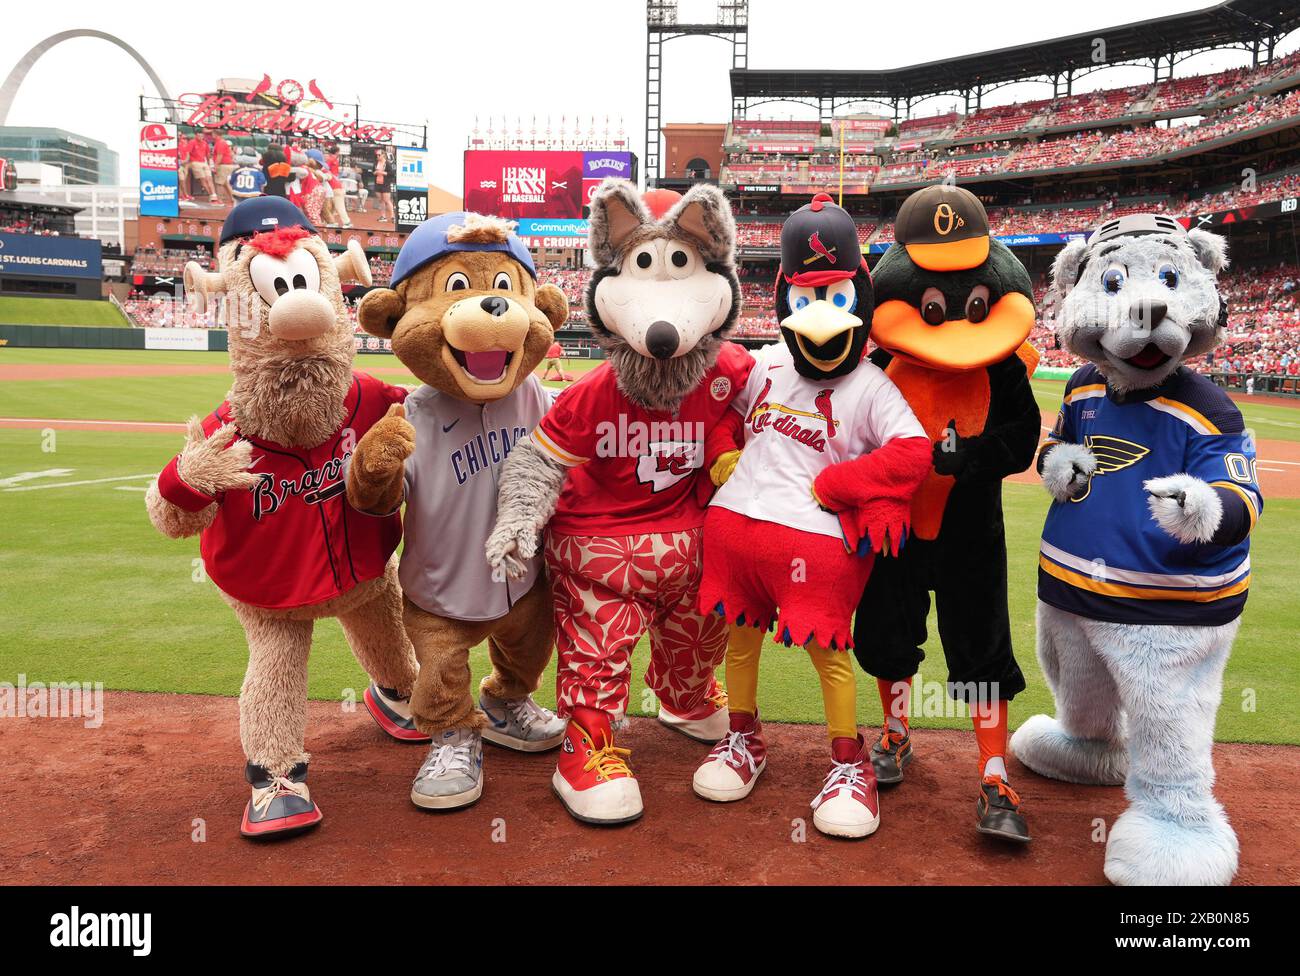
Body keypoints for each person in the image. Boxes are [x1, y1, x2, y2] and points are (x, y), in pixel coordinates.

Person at [213, 134, 236, 207]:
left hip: (223, 165)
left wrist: (215, 166)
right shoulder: (222, 143)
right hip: (228, 165)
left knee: (219, 183)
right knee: (226, 184)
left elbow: (220, 155)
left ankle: (220, 200)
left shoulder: (221, 143)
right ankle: (233, 199)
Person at [372, 147, 394, 224]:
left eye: (379, 155)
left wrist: (383, 173)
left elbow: (391, 174)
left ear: (383, 155)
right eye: (377, 155)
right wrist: (375, 173)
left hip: (385, 184)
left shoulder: (387, 163)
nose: (377, 156)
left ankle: (392, 217)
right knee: (381, 201)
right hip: (378, 184)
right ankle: (383, 216)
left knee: (387, 200)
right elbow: (373, 172)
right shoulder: (375, 163)